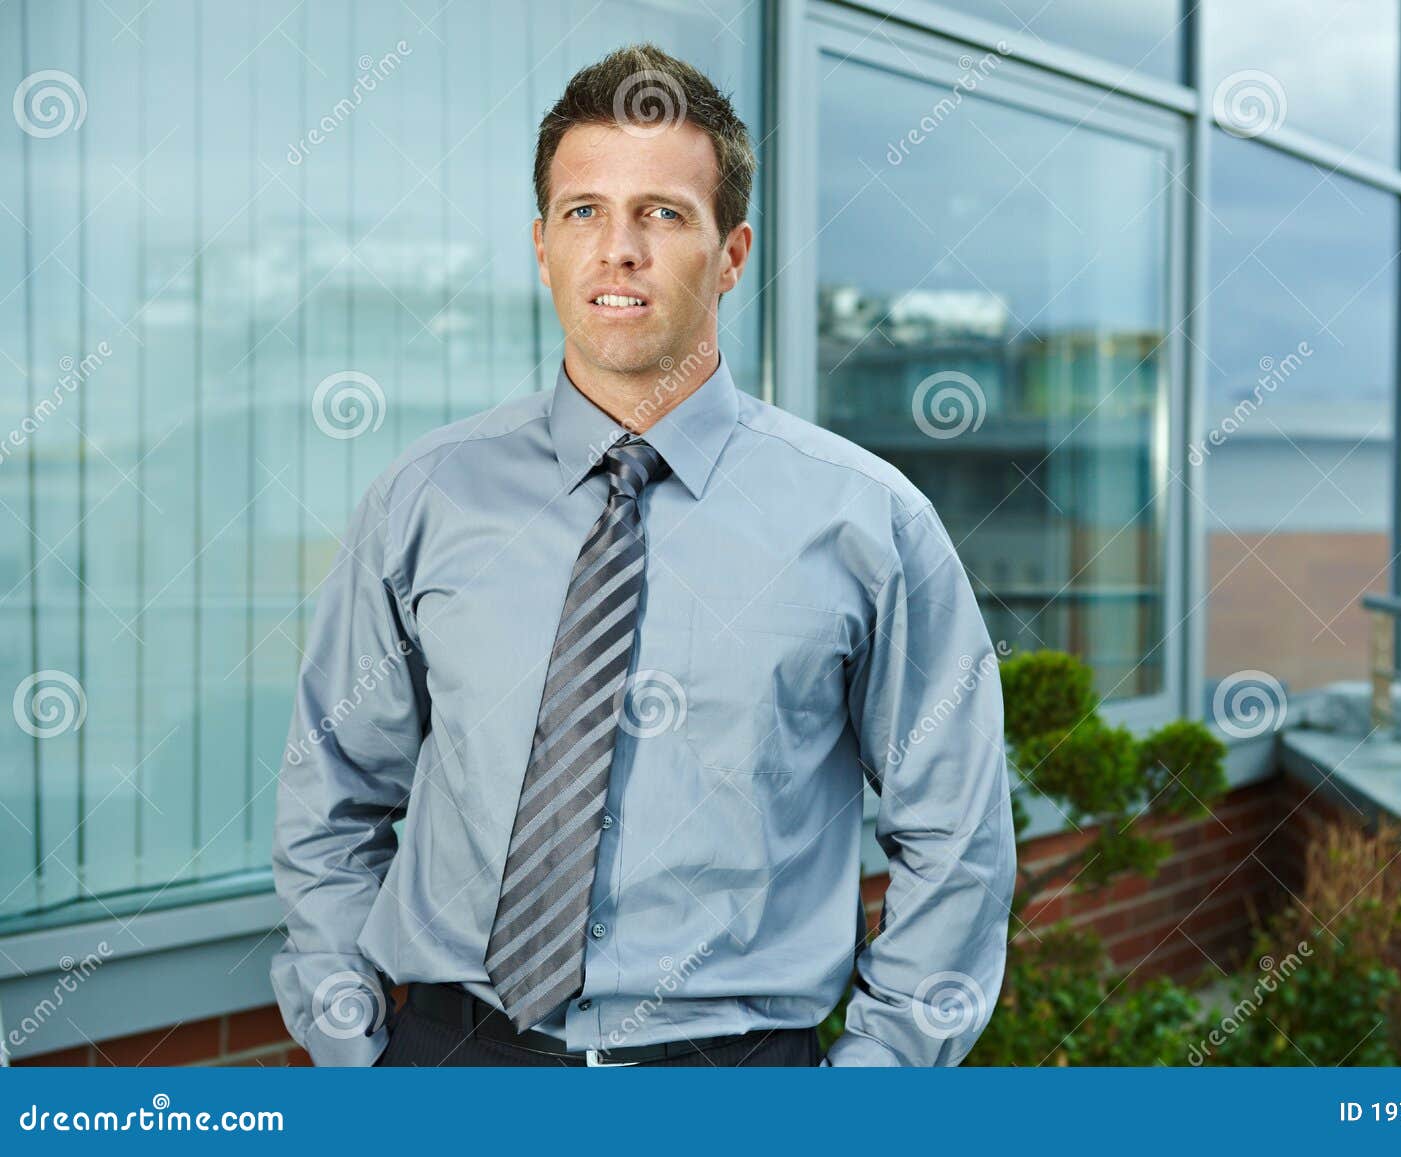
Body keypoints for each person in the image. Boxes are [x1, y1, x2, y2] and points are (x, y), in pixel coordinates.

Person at [270, 41, 1015, 1068]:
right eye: (585, 211)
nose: (617, 248)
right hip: (455, 1058)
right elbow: (333, 792)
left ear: (733, 252)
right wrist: (352, 1042)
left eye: (661, 213)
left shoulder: (867, 521)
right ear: (542, 247)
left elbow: (956, 835)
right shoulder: (426, 497)